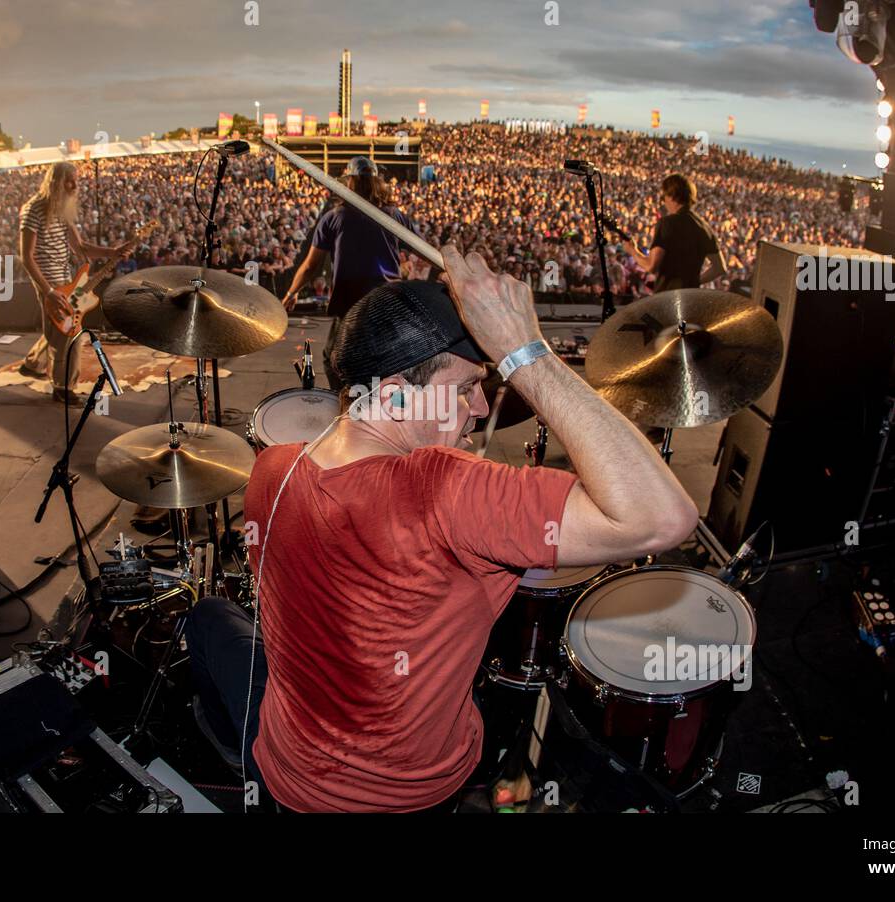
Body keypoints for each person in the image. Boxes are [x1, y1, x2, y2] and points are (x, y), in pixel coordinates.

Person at [187, 246, 699, 813]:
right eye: (462, 390)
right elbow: (662, 517)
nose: (480, 408)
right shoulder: (444, 490)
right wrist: (524, 354)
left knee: (208, 618)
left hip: (289, 769)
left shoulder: (272, 468)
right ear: (392, 396)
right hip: (403, 798)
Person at [281, 156, 415, 389]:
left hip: (351, 304)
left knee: (334, 359)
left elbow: (311, 266)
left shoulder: (334, 217)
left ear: (348, 183)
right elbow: (423, 251)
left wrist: (292, 292)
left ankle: (345, 403)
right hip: (387, 300)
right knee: (383, 361)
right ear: (377, 183)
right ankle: (379, 407)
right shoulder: (394, 215)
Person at [17, 161, 131, 404]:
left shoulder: (61, 210)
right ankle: (63, 388)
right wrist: (47, 290)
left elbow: (81, 247)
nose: (75, 186)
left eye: (76, 180)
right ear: (55, 181)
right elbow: (26, 256)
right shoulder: (32, 210)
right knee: (71, 332)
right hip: (48, 281)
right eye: (70, 180)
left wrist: (112, 252)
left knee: (57, 329)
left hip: (66, 278)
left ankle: (33, 363)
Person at [622, 173, 727, 292]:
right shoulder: (704, 227)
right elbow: (720, 268)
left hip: (667, 299)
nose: (663, 201)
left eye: (664, 196)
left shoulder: (667, 223)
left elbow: (651, 266)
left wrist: (633, 251)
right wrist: (695, 282)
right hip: (690, 298)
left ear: (672, 196)